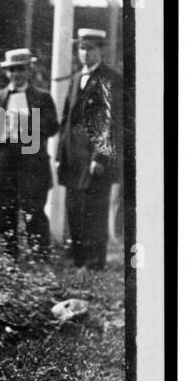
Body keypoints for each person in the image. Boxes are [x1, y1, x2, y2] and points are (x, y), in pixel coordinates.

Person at [0, 49, 60, 260]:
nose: (17, 74)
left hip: (32, 158)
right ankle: (9, 255)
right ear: (7, 73)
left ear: (29, 70)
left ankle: (40, 255)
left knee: (34, 209)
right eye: (13, 70)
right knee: (6, 210)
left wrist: (30, 124)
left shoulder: (42, 97)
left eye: (21, 69)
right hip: (5, 158)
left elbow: (53, 127)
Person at [57, 27, 123, 270]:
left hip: (95, 155)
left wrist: (101, 158)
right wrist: (59, 155)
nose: (85, 53)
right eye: (82, 48)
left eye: (90, 48)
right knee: (74, 207)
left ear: (101, 50)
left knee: (94, 209)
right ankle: (78, 257)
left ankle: (95, 262)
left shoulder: (111, 79)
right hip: (73, 155)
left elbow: (112, 121)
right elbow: (67, 119)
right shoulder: (76, 78)